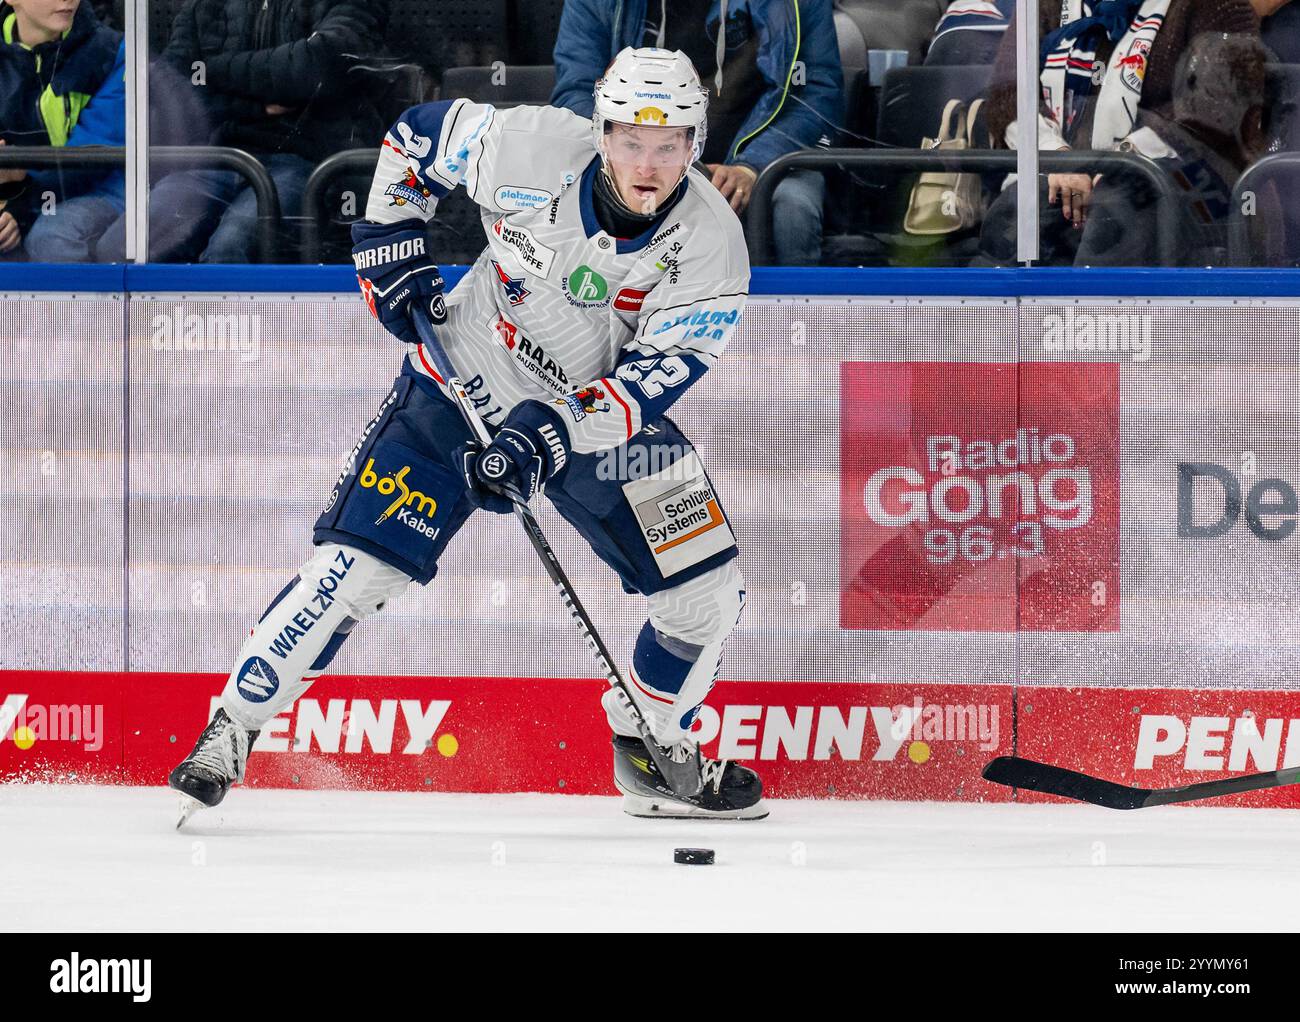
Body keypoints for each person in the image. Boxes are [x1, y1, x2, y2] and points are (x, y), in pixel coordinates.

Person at [168, 47, 766, 823]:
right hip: (463, 375)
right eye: (628, 140)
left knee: (707, 592)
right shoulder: (531, 146)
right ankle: (230, 730)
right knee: (356, 570)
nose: (647, 165)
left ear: (696, 143)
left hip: (594, 420)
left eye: (670, 144)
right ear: (600, 130)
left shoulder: (714, 247)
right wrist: (388, 246)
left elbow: (650, 382)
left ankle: (653, 750)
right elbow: (413, 142)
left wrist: (548, 435)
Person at [92, 0, 389, 263]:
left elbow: (314, 68)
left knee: (230, 248)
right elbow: (173, 87)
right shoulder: (205, 5)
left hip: (306, 162)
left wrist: (213, 70)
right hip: (219, 156)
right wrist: (257, 107)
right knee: (121, 247)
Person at [551, 0, 843, 266]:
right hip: (635, 157)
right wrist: (628, 155)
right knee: (574, 195)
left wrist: (752, 167)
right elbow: (576, 91)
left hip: (764, 159)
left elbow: (817, 95)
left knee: (792, 209)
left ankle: (790, 320)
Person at [977, 0, 1265, 267]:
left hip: (1185, 182)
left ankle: (1093, 318)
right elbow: (1006, 97)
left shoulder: (1217, 4)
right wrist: (1059, 160)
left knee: (1118, 207)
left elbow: (1217, 107)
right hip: (1068, 175)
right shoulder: (1044, 4)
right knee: (1020, 209)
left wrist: (1118, 162)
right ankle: (1009, 320)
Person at [0, 0, 124, 262]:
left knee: (52, 239)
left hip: (98, 189)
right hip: (18, 193)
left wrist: (22, 204)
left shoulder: (112, 52)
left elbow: (91, 159)